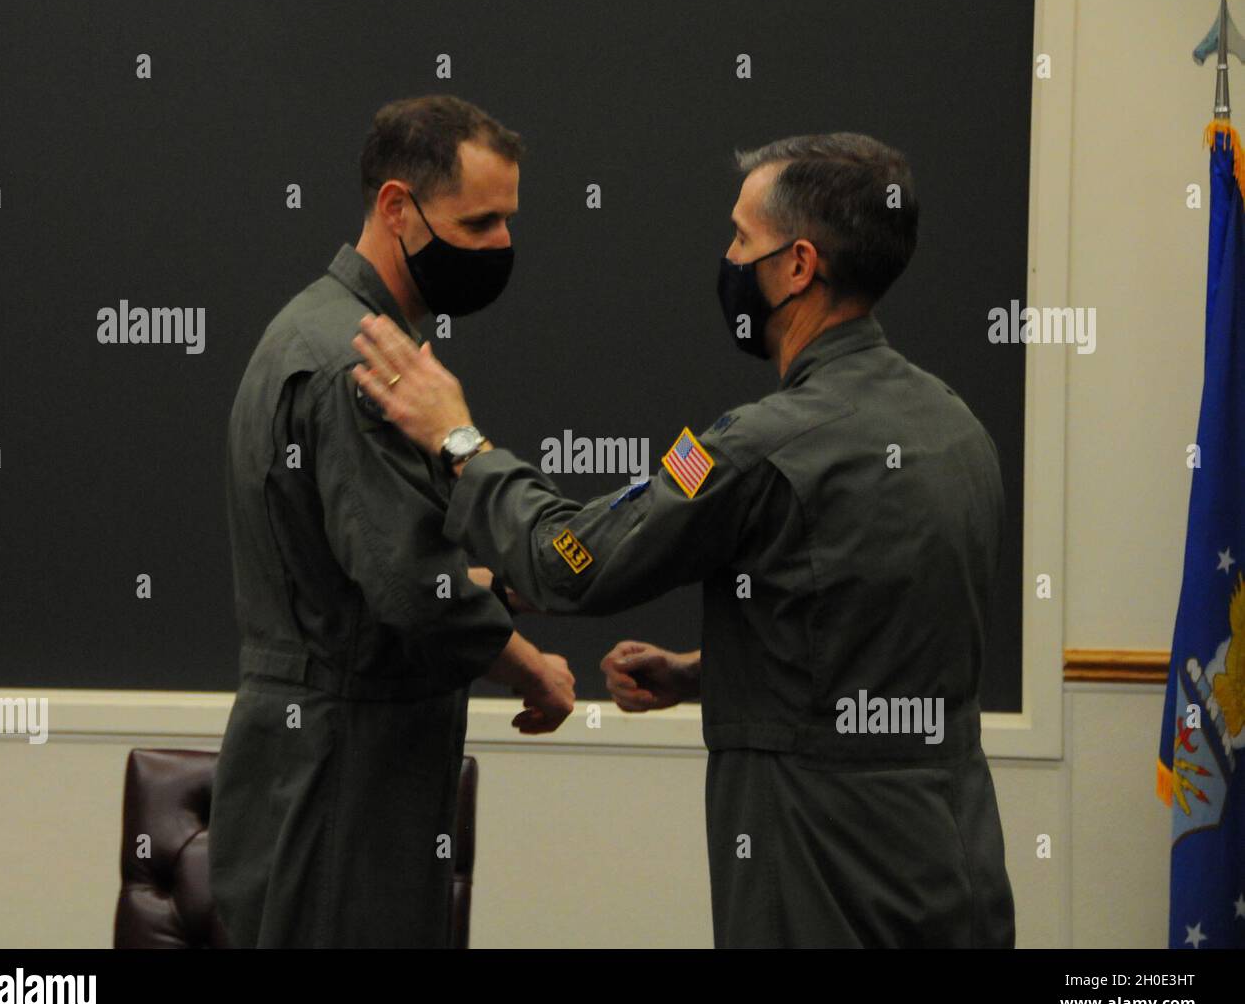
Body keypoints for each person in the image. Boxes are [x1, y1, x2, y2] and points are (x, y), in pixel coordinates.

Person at [350, 132, 1017, 948]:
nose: (729, 258)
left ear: (799, 265)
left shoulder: (759, 444)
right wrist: (708, 674)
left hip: (824, 869)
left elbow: (575, 563)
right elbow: (869, 631)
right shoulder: (957, 428)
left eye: (742, 238)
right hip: (957, 862)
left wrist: (460, 444)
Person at [209, 94, 575, 949]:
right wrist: (531, 671)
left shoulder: (319, 327)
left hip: (321, 757)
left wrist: (485, 580)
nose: (501, 248)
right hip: (345, 771)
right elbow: (412, 590)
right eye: (479, 222)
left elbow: (356, 567)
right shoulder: (360, 364)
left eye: (508, 222)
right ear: (396, 208)